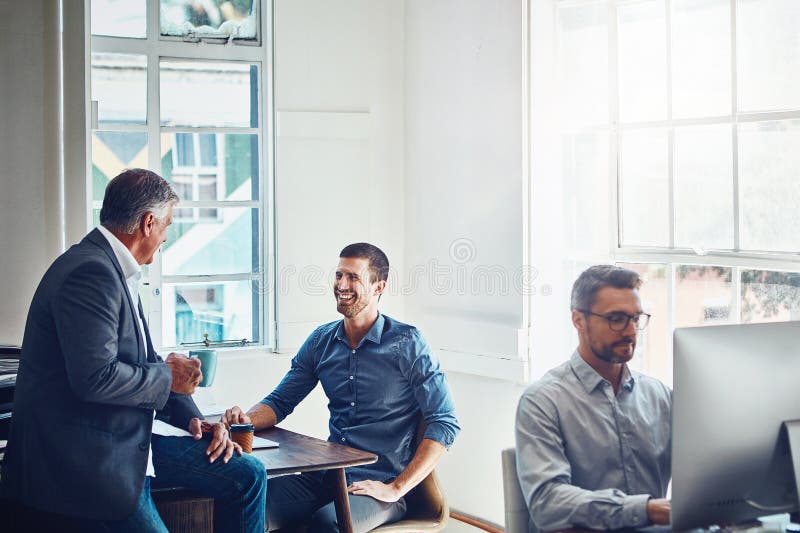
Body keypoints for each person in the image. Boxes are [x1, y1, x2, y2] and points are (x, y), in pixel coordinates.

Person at [1, 169, 266, 533]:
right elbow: (95, 378)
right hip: (86, 462)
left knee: (248, 474)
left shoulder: (114, 269)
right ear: (147, 222)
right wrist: (169, 377)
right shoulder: (90, 273)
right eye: (167, 225)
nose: (166, 237)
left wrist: (191, 418)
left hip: (125, 440)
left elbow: (144, 364)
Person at [224, 243, 460, 532]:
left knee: (327, 524)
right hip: (324, 476)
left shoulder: (408, 344)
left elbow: (445, 422)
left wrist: (396, 488)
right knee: (246, 503)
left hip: (376, 485)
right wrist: (245, 421)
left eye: (353, 277)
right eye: (338, 275)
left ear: (378, 287)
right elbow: (280, 402)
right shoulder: (321, 341)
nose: (341, 285)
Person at [515, 265, 671, 532]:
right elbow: (548, 503)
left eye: (635, 318)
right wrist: (645, 510)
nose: (630, 331)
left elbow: (701, 471)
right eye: (616, 319)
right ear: (578, 320)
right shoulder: (542, 401)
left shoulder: (659, 395)